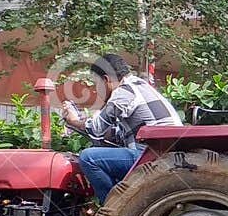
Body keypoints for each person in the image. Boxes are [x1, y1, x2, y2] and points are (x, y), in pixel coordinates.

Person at [59, 54, 182, 202]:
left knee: (89, 158)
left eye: (96, 84)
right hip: (161, 153)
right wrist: (83, 122)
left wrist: (74, 121)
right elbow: (114, 134)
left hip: (152, 156)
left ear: (106, 80)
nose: (96, 91)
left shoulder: (125, 91)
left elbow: (97, 129)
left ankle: (112, 209)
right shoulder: (139, 85)